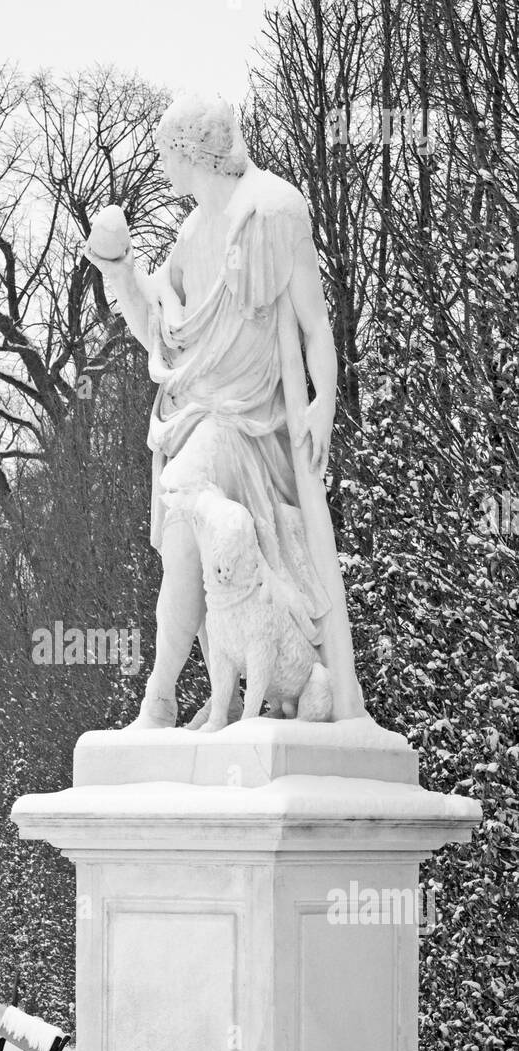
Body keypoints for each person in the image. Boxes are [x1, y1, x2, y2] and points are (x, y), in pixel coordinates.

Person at [86, 94, 362, 727]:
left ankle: (161, 695)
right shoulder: (192, 232)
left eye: (165, 154)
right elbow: (162, 328)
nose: (161, 167)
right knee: (188, 527)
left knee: (184, 501)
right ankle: (203, 695)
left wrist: (323, 403)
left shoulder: (274, 211)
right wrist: (119, 268)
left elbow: (316, 326)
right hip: (204, 419)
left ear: (189, 152)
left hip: (255, 429)